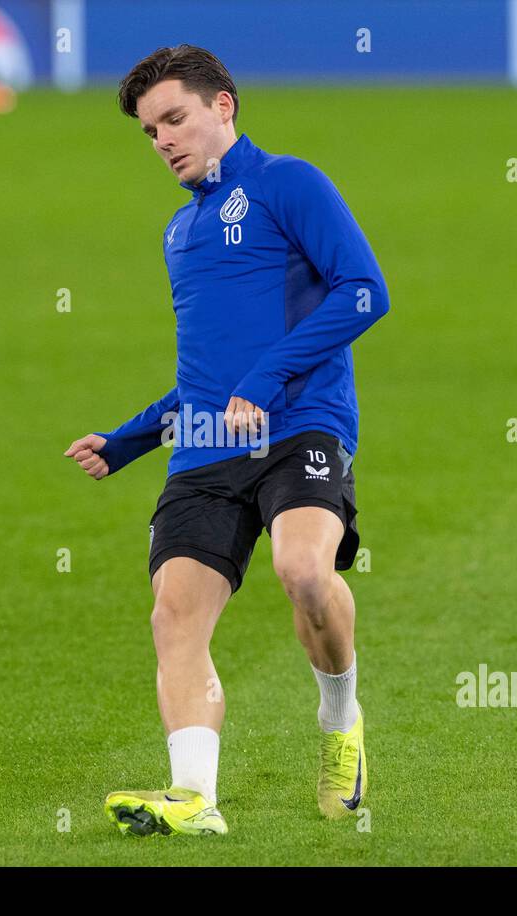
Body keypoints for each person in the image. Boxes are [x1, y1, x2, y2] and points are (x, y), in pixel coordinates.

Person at [64, 44, 390, 836]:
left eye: (174, 118)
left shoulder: (288, 183)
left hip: (302, 423)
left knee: (304, 570)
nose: (163, 140)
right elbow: (207, 377)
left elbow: (364, 291)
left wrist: (267, 380)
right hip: (206, 446)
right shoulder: (181, 231)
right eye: (148, 131)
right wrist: (130, 439)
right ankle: (195, 799)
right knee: (173, 615)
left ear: (224, 107)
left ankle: (339, 721)